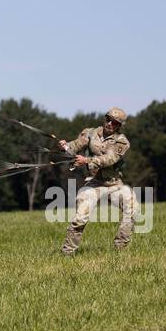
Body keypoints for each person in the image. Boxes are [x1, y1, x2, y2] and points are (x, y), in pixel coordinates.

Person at [58, 107, 135, 254]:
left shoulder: (122, 142)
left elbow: (109, 159)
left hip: (115, 184)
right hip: (94, 183)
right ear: (105, 119)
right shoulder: (90, 133)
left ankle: (120, 251)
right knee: (80, 216)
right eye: (108, 120)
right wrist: (65, 147)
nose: (110, 124)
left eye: (115, 123)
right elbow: (74, 147)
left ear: (119, 126)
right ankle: (67, 253)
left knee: (132, 210)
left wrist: (86, 160)